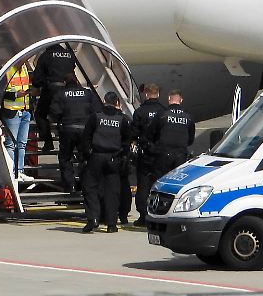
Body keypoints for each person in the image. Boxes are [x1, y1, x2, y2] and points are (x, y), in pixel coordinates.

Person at [80, 91, 133, 233]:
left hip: (96, 156)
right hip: (114, 158)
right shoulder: (122, 119)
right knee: (112, 192)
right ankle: (111, 224)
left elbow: (86, 138)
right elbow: (127, 142)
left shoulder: (96, 116)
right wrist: (123, 156)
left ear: (104, 101)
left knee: (90, 187)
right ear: (117, 103)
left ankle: (93, 218)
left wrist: (86, 155)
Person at [47, 73, 99, 192]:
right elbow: (96, 111)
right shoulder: (87, 93)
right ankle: (86, 184)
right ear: (77, 81)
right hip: (85, 130)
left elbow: (54, 113)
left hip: (68, 130)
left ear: (65, 83)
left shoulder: (61, 94)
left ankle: (70, 186)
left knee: (65, 158)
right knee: (86, 157)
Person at [131, 82, 169, 226]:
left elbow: (133, 133)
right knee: (160, 185)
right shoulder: (164, 112)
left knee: (143, 185)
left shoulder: (140, 112)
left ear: (146, 94)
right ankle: (159, 213)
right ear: (158, 94)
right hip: (160, 154)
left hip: (145, 153)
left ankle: (143, 215)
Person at [145, 88, 195, 192]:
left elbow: (150, 133)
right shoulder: (188, 116)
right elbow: (190, 140)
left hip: (163, 155)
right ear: (181, 100)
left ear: (169, 99)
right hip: (181, 155)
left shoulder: (162, 114)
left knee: (161, 183)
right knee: (178, 185)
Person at [30, 43, 76, 153]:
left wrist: (37, 86)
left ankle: (48, 142)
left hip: (52, 89)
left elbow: (38, 76)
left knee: (40, 115)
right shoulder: (69, 54)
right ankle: (68, 143)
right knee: (65, 116)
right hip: (68, 90)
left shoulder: (46, 55)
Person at [0, 61, 32, 181]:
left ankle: (20, 171)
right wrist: (20, 94)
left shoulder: (24, 68)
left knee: (22, 144)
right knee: (11, 143)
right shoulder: (7, 69)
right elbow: (2, 93)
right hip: (11, 111)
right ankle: (13, 172)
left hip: (24, 110)